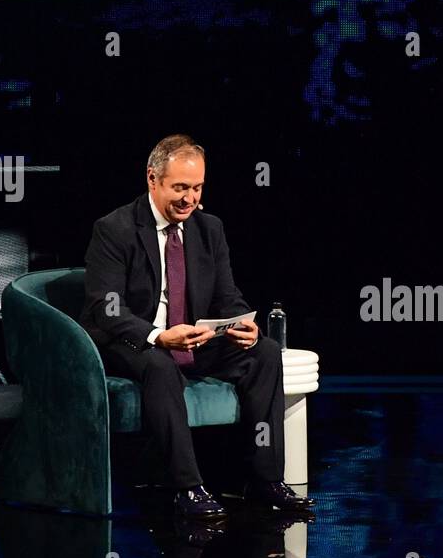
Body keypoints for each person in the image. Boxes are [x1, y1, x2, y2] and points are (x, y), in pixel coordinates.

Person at [79, 134, 314, 523]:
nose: (190, 198)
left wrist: (242, 324)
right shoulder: (114, 228)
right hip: (133, 339)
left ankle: (265, 479)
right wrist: (157, 336)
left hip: (195, 338)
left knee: (266, 353)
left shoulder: (209, 228)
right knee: (158, 364)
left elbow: (228, 295)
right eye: (180, 187)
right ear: (152, 179)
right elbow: (106, 307)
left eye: (197, 187)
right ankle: (187, 487)